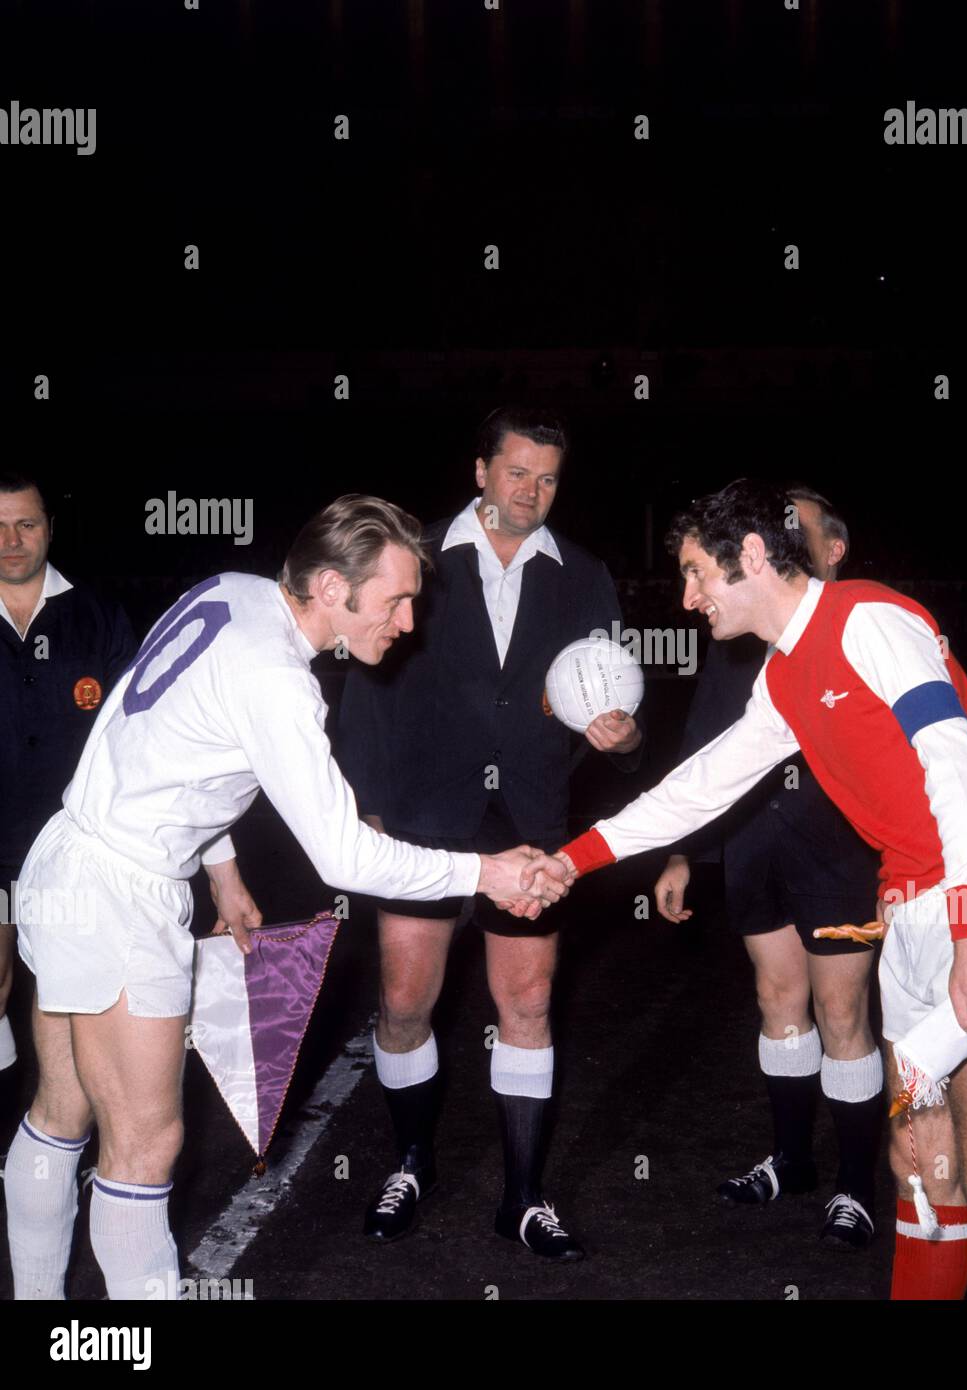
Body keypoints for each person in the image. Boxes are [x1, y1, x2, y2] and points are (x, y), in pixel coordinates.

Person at [5, 494, 567, 1301]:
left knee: (60, 1115)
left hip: (66, 857)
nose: (408, 622)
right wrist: (485, 872)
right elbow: (344, 855)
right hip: (117, 897)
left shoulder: (230, 588)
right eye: (397, 599)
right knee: (145, 1149)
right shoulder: (281, 683)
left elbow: (169, 728)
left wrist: (223, 866)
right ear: (333, 589)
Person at [555, 478, 967, 1300]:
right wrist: (573, 861)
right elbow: (700, 786)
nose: (689, 597)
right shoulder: (783, 676)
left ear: (756, 557)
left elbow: (956, 762)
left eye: (699, 573)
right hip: (912, 915)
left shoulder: (869, 619)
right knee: (921, 1175)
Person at [337, 407, 641, 1260]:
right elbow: (369, 685)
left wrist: (623, 742)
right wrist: (363, 806)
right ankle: (411, 1160)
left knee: (530, 1001)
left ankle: (522, 1196)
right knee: (403, 1001)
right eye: (517, 473)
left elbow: (607, 697)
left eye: (548, 478)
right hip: (425, 818)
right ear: (480, 472)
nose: (532, 493)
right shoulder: (419, 556)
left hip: (532, 821)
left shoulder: (583, 576)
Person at [652, 485, 883, 1248]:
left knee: (843, 1012)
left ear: (834, 548)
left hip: (839, 843)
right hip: (753, 836)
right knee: (778, 998)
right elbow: (706, 744)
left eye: (796, 529)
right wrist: (685, 849)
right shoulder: (737, 633)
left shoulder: (862, 630)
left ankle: (856, 1185)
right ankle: (791, 1160)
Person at [0, 473, 135, 1147]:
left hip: (79, 847)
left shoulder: (100, 616)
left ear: (50, 526)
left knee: (70, 997)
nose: (11, 541)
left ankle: (64, 1133)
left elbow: (134, 734)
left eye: (25, 524)